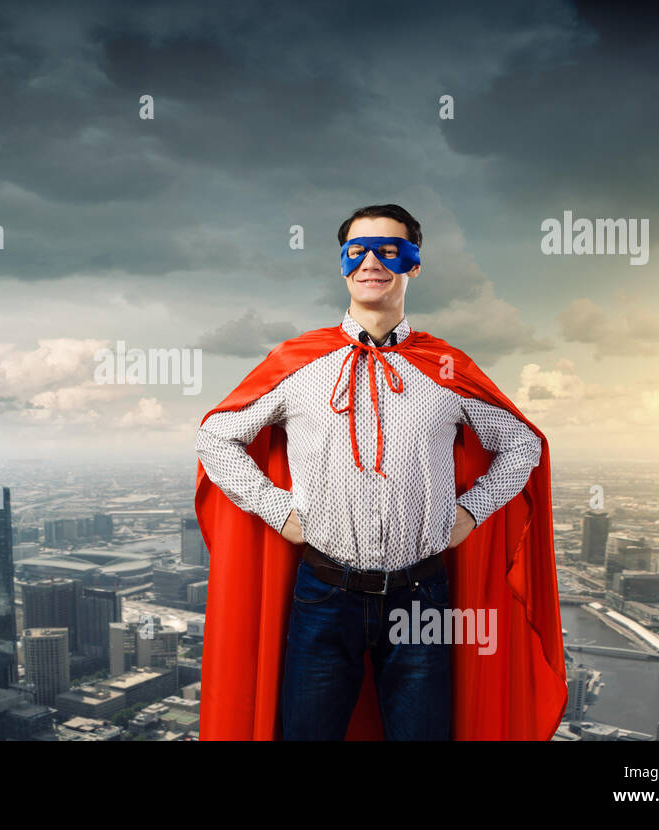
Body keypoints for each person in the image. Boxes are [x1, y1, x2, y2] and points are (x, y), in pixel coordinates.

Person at [193, 203, 566, 740]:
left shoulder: (446, 367)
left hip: (421, 599)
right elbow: (216, 436)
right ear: (343, 265)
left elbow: (522, 444)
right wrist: (278, 511)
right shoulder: (298, 364)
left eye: (390, 250)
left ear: (413, 265)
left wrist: (470, 512)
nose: (371, 262)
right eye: (357, 250)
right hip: (323, 594)